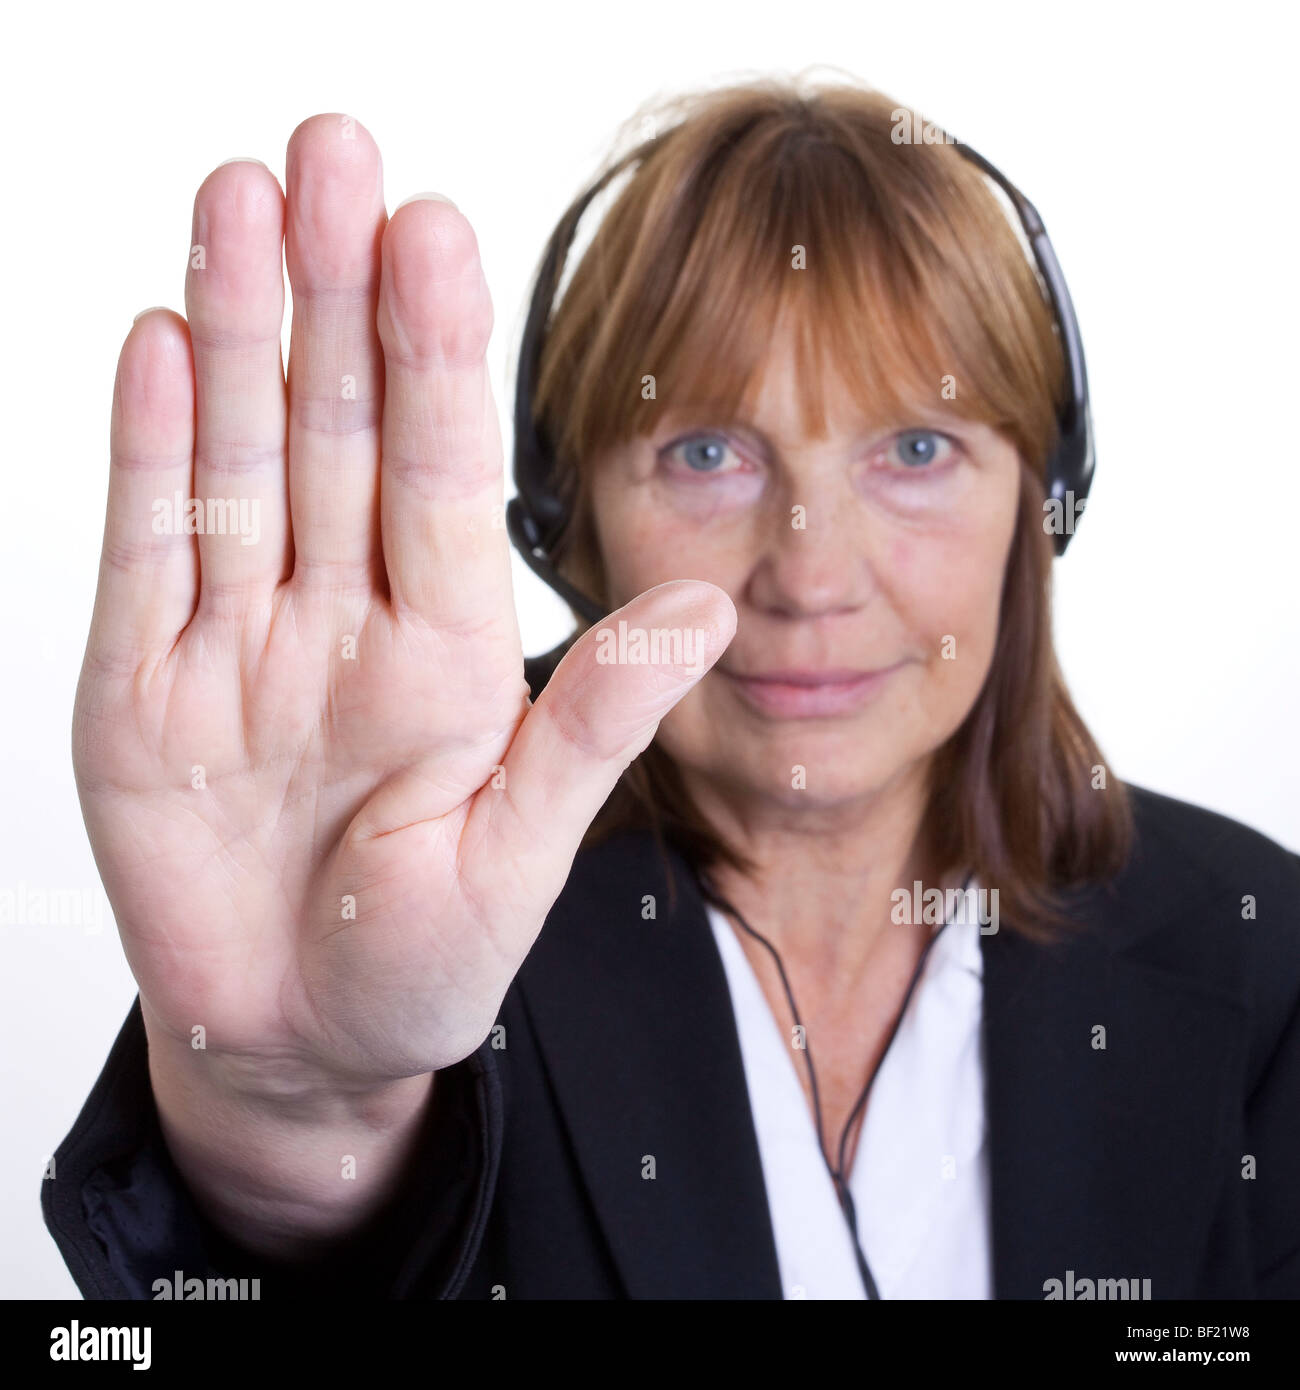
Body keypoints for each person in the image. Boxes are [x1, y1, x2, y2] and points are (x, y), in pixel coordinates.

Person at [45, 76, 1300, 1301]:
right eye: (705, 451)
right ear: (564, 516)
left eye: (916, 448)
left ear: (1039, 501)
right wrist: (291, 1109)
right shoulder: (411, 907)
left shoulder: (1259, 949)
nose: (810, 576)